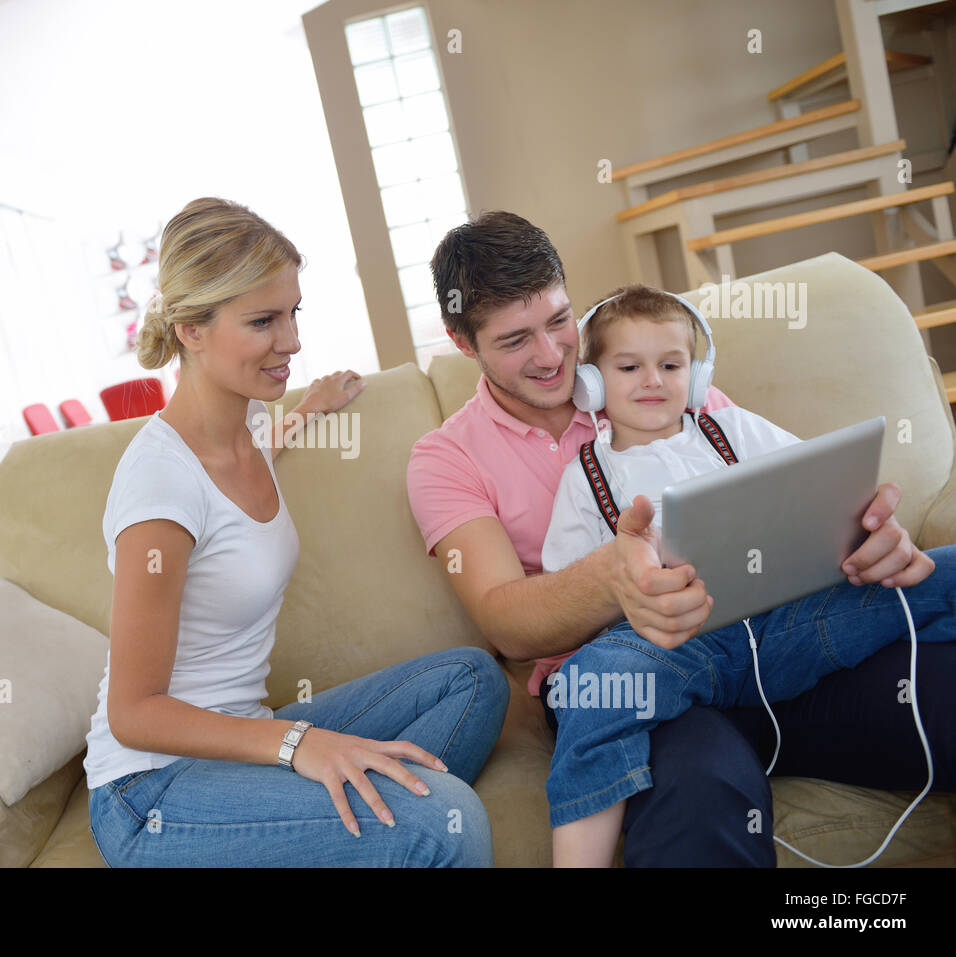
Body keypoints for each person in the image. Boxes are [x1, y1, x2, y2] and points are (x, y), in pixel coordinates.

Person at [406, 210, 954, 866]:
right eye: (515, 340)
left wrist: (864, 528)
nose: (552, 356)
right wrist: (614, 575)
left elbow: (792, 492)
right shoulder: (445, 458)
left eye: (558, 321)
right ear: (462, 341)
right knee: (701, 804)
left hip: (777, 646)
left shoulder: (653, 375)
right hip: (643, 690)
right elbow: (507, 623)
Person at [84, 197, 509, 867]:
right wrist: (296, 744)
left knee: (474, 679)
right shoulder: (157, 487)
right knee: (446, 824)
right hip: (154, 789)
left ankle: (358, 833)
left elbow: (245, 470)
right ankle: (404, 827)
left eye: (292, 313)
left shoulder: (245, 433)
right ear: (191, 328)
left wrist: (309, 407)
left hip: (245, 736)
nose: (292, 341)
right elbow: (133, 711)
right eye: (263, 321)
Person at [536, 283, 956, 866]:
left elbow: (823, 493)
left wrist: (868, 529)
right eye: (629, 367)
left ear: (697, 374)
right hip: (680, 652)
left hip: (789, 627)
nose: (653, 380)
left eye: (671, 364)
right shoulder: (586, 477)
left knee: (949, 567)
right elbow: (571, 596)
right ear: (594, 383)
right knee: (592, 678)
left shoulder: (732, 428)